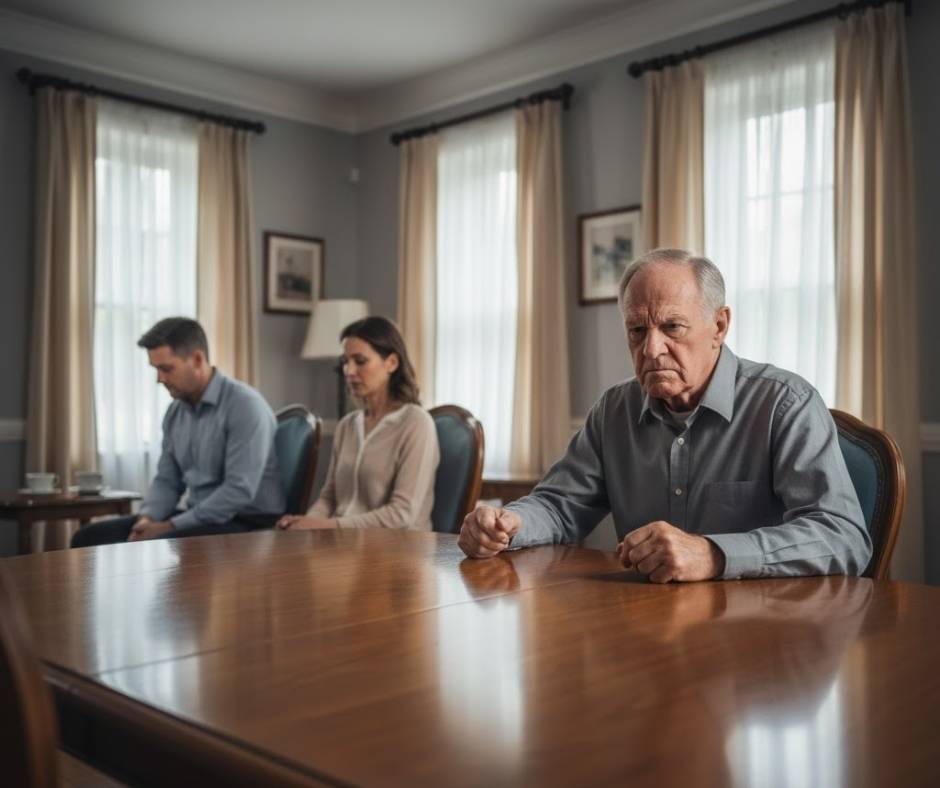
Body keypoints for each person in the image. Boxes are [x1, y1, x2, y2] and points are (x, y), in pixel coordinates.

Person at [458, 248, 871, 582]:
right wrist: (509, 524)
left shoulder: (785, 404)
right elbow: (559, 504)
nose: (651, 349)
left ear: (720, 326)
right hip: (646, 632)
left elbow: (843, 536)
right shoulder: (614, 411)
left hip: (763, 640)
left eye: (672, 327)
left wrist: (714, 554)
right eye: (637, 330)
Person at [71, 318, 285, 546]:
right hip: (201, 518)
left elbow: (238, 491)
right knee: (88, 537)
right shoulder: (175, 413)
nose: (159, 379)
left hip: (247, 521)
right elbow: (167, 480)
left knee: (158, 545)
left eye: (166, 369)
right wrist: (147, 519)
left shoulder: (245, 405)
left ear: (197, 359)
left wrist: (169, 526)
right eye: (156, 370)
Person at [277, 316, 439, 532]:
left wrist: (328, 526)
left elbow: (403, 514)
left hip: (396, 551)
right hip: (341, 545)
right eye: (345, 362)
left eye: (360, 361)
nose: (349, 371)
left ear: (391, 362)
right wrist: (305, 525)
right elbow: (329, 498)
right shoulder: (347, 425)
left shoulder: (416, 423)